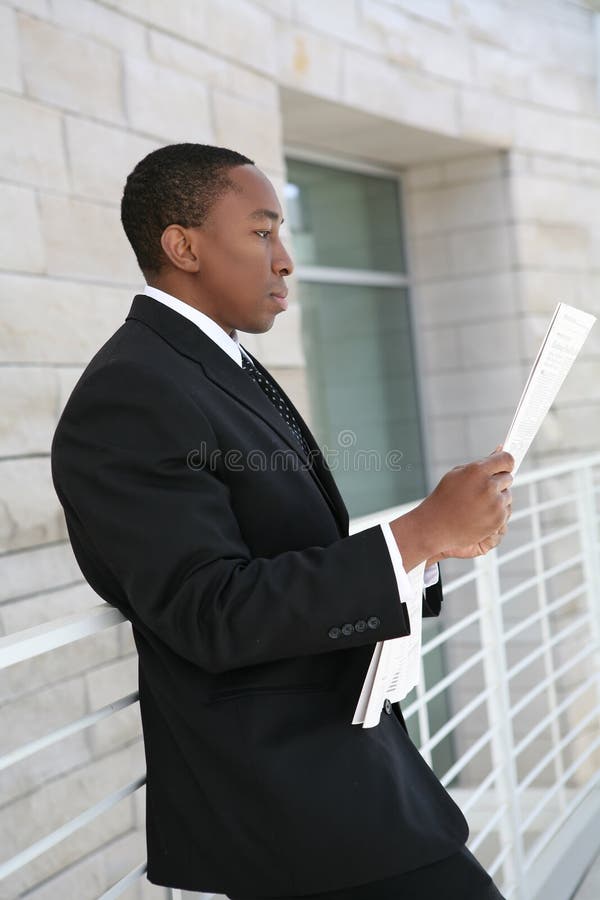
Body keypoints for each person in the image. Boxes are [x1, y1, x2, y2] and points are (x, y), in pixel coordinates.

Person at [50, 143, 513, 899]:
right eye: (262, 231)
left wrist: (430, 545)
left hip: (341, 776)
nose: (286, 260)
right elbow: (210, 610)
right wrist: (417, 534)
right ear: (184, 247)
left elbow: (287, 547)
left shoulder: (212, 365)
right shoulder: (132, 391)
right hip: (289, 801)